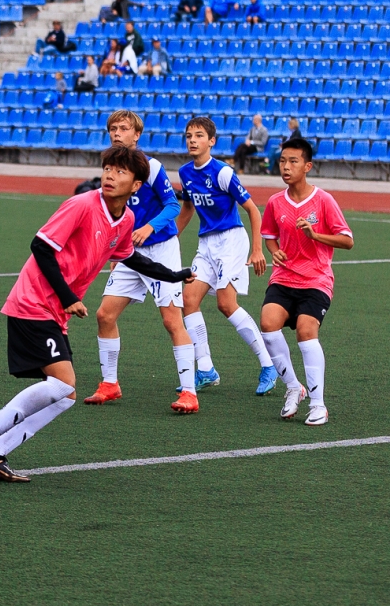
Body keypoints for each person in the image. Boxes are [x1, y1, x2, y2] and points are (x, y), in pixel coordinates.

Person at [0, 146, 193, 482]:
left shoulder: (126, 218)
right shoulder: (82, 204)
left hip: (54, 311)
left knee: (65, 396)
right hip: (33, 303)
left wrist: (173, 275)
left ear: (137, 185)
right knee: (63, 383)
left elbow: (131, 257)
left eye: (121, 172)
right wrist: (69, 296)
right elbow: (41, 247)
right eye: (108, 169)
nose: (111, 175)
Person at [85, 112, 196, 411]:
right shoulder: (110, 170)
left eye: (124, 128)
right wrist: (113, 250)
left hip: (160, 250)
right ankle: (109, 384)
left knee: (172, 320)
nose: (117, 133)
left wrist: (150, 227)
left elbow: (173, 204)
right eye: (113, 129)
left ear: (137, 135)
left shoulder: (152, 167)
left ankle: (189, 392)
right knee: (104, 315)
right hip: (129, 253)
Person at [175, 116, 278, 399]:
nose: (192, 140)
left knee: (225, 303)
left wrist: (257, 249)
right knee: (189, 300)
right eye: (188, 136)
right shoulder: (185, 172)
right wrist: (170, 240)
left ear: (212, 141)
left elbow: (253, 210)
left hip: (231, 240)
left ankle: (269, 365)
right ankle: (206, 369)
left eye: (198, 135)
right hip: (206, 243)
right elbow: (187, 208)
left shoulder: (223, 173)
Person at [259, 138, 353, 427]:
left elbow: (347, 241)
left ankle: (318, 404)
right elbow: (269, 236)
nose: (286, 167)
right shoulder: (276, 202)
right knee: (267, 323)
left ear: (307, 166)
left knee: (305, 330)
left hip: (316, 280)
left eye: (293, 162)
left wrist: (315, 236)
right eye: (283, 161)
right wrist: (275, 252)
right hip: (284, 278)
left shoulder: (324, 200)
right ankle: (292, 386)